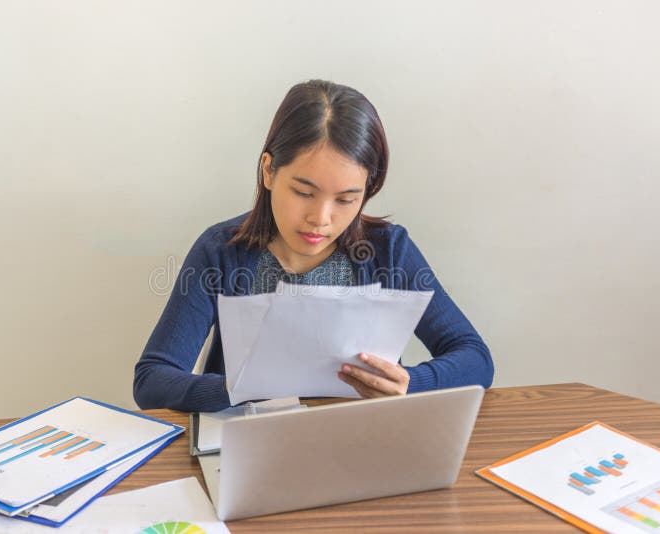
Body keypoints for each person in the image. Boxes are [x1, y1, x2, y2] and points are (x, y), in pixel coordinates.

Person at [133, 80, 493, 412]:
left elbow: (476, 359)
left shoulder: (388, 251)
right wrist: (239, 390)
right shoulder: (222, 252)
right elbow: (152, 380)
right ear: (269, 171)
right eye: (304, 193)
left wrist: (412, 383)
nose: (321, 218)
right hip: (254, 440)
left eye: (346, 199)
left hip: (367, 437)